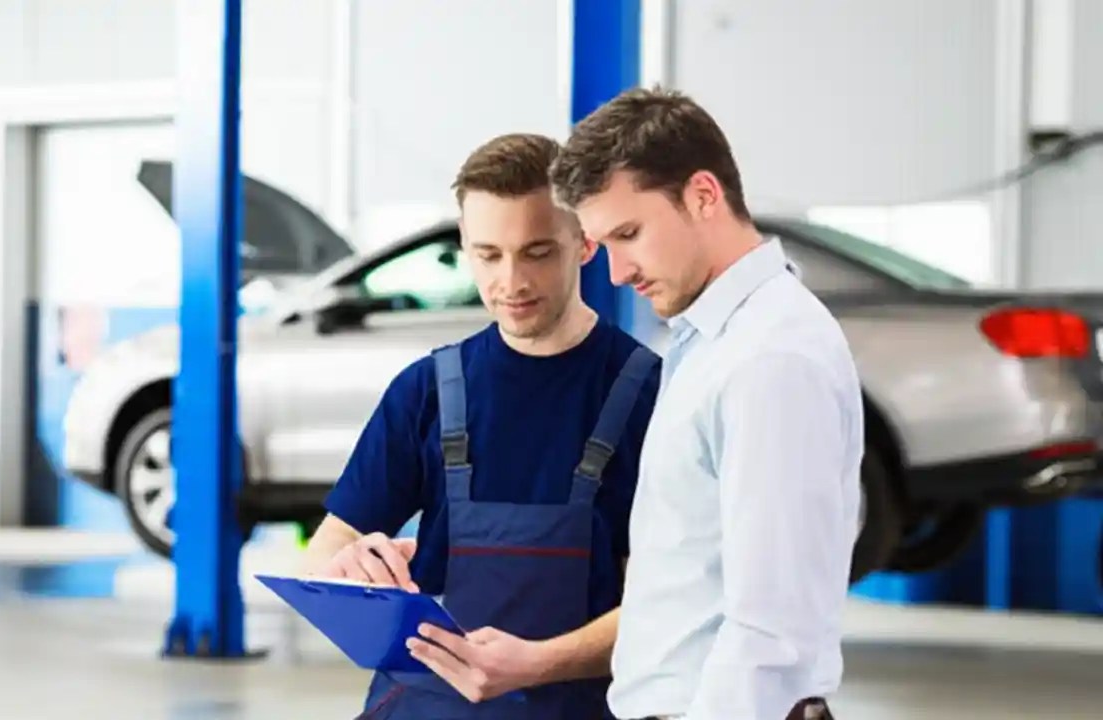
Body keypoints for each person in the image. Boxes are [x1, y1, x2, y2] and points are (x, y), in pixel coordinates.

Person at [300, 132, 662, 719]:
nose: (511, 282)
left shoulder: (649, 397)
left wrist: (540, 662)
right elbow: (325, 550)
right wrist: (350, 570)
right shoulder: (427, 390)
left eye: (538, 252)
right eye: (488, 254)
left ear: (585, 242)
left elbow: (664, 606)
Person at [549, 87, 863, 720]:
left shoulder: (771, 359)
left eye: (629, 234)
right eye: (603, 243)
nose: (616, 272)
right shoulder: (711, 341)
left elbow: (772, 625)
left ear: (703, 196)